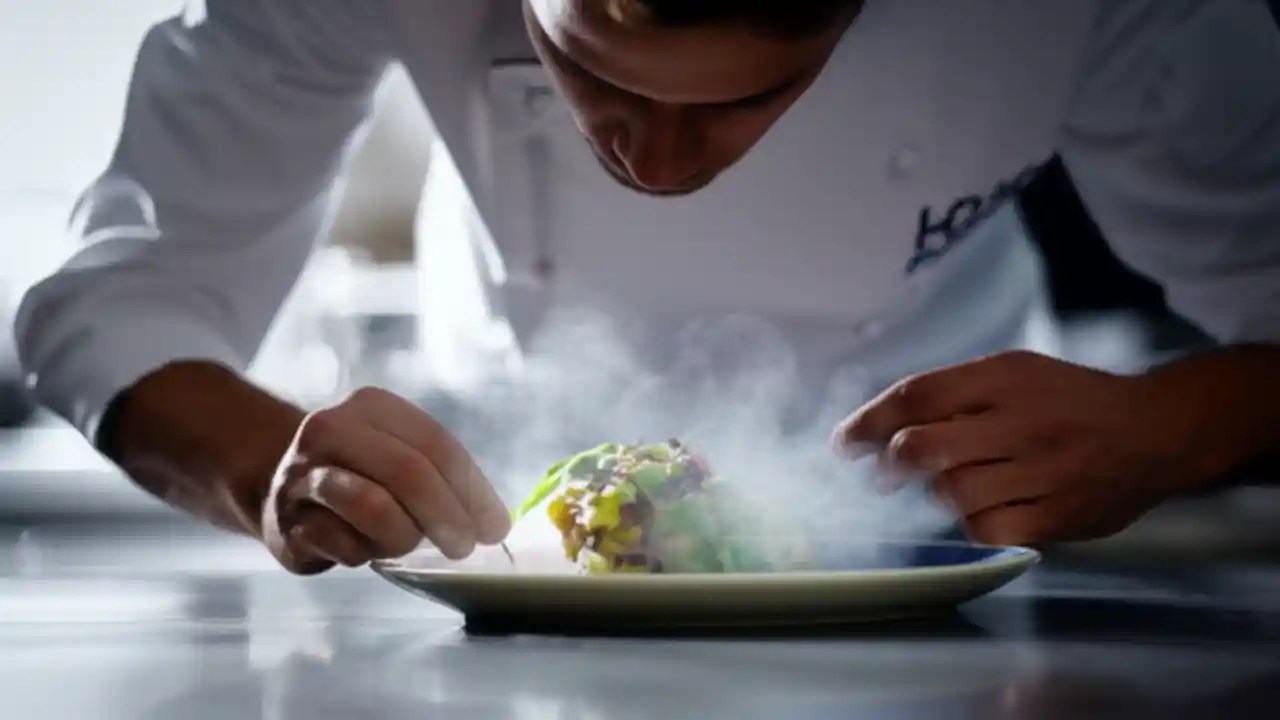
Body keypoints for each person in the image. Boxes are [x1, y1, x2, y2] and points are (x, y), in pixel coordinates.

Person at [15, 0, 1280, 574]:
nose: (652, 159)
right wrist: (277, 476)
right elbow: (111, 302)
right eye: (592, 79)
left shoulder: (1104, 10)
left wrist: (1164, 428)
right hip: (496, 548)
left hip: (955, 548)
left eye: (741, 104)